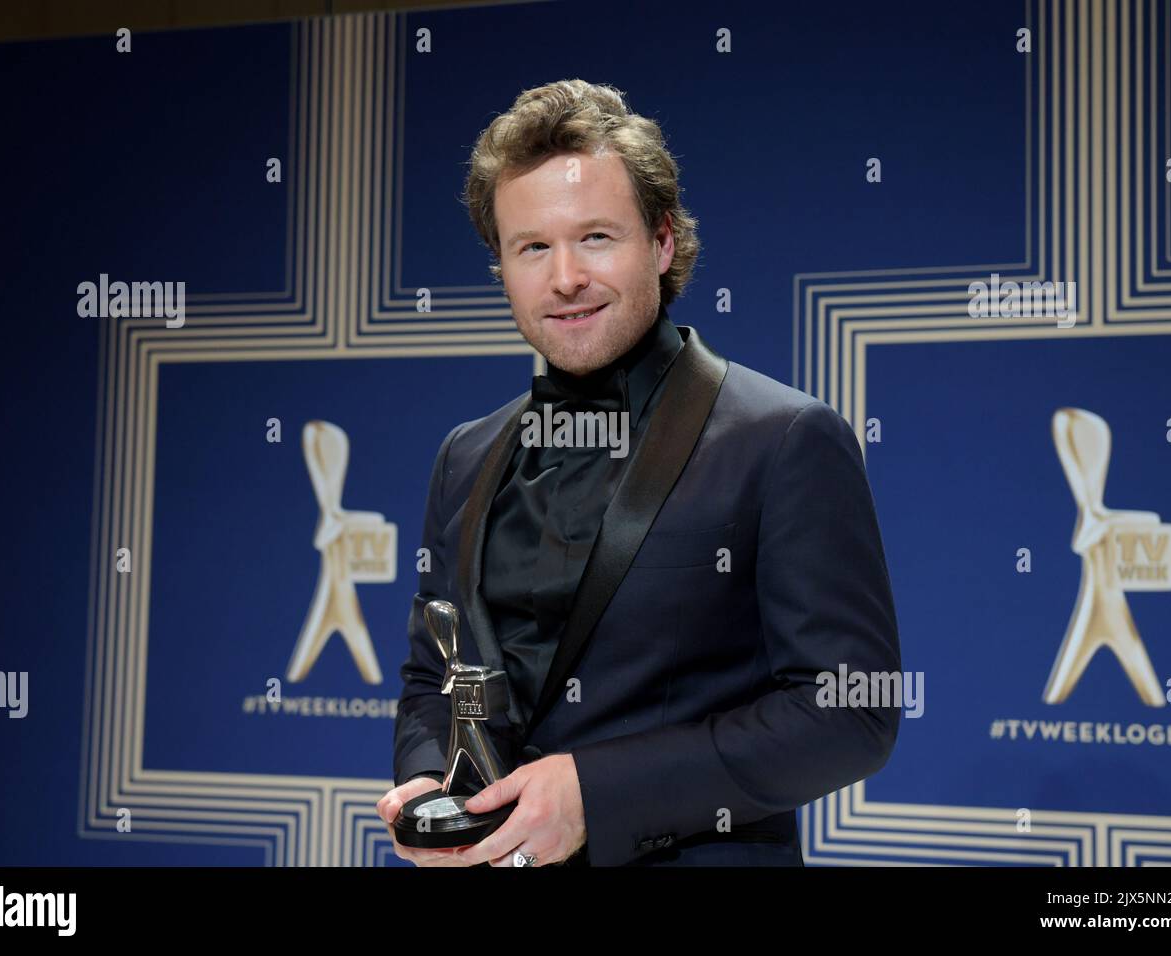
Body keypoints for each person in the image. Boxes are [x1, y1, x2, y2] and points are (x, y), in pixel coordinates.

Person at [377, 79, 902, 867]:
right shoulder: (466, 455)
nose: (565, 278)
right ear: (502, 267)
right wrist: (426, 783)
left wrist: (598, 795)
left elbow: (850, 717)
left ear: (661, 242)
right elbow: (433, 677)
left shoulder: (783, 439)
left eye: (595, 237)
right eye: (532, 248)